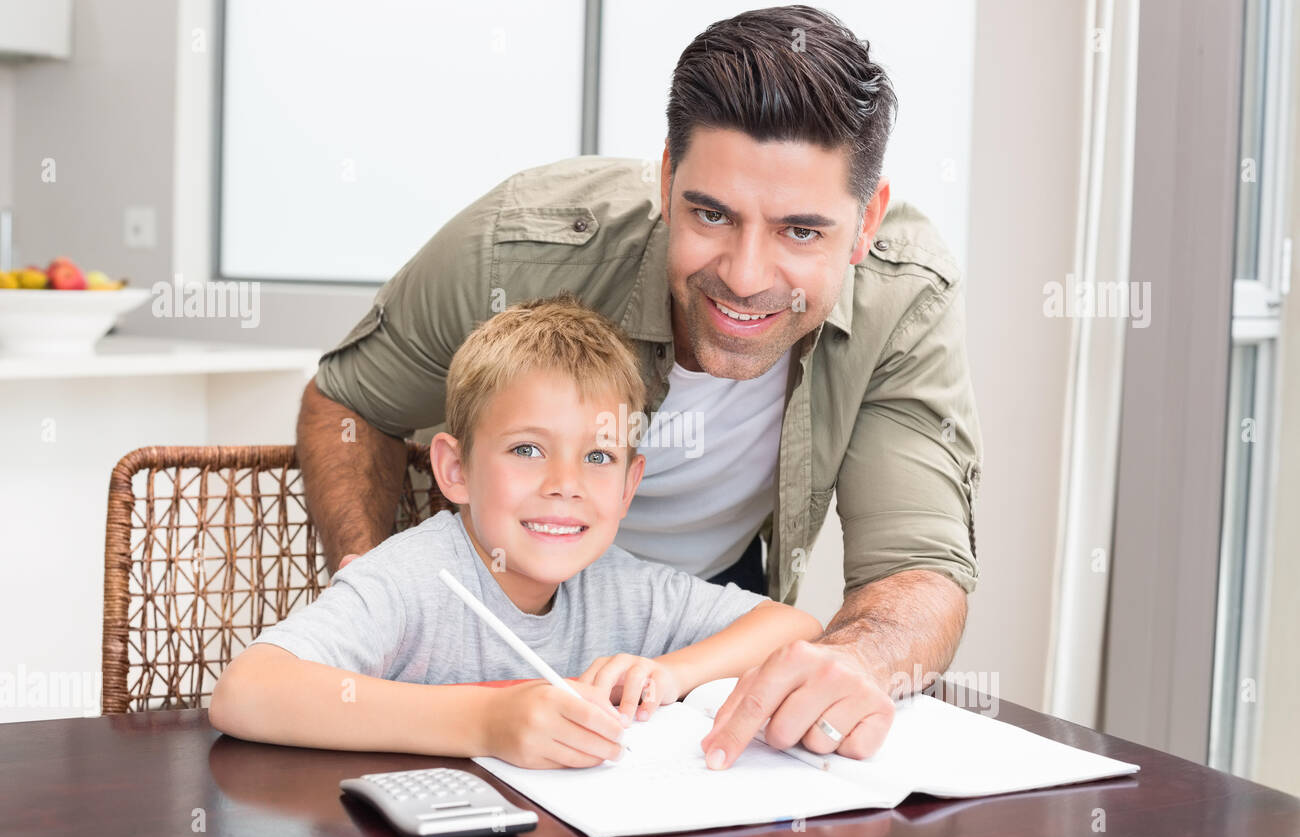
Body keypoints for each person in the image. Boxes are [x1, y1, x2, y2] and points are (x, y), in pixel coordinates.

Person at [296, 6, 982, 769]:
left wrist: (856, 661)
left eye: (800, 231)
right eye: (711, 214)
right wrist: (373, 586)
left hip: (693, 627)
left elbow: (915, 569)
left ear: (866, 222)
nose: (746, 277)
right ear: (665, 179)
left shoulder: (905, 298)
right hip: (484, 609)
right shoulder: (514, 249)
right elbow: (349, 401)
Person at [211, 294, 824, 769]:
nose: (566, 484)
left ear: (629, 484)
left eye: (599, 457)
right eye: (528, 449)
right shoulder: (412, 577)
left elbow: (795, 628)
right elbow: (246, 691)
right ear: (455, 469)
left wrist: (671, 674)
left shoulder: (620, 586)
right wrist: (488, 721)